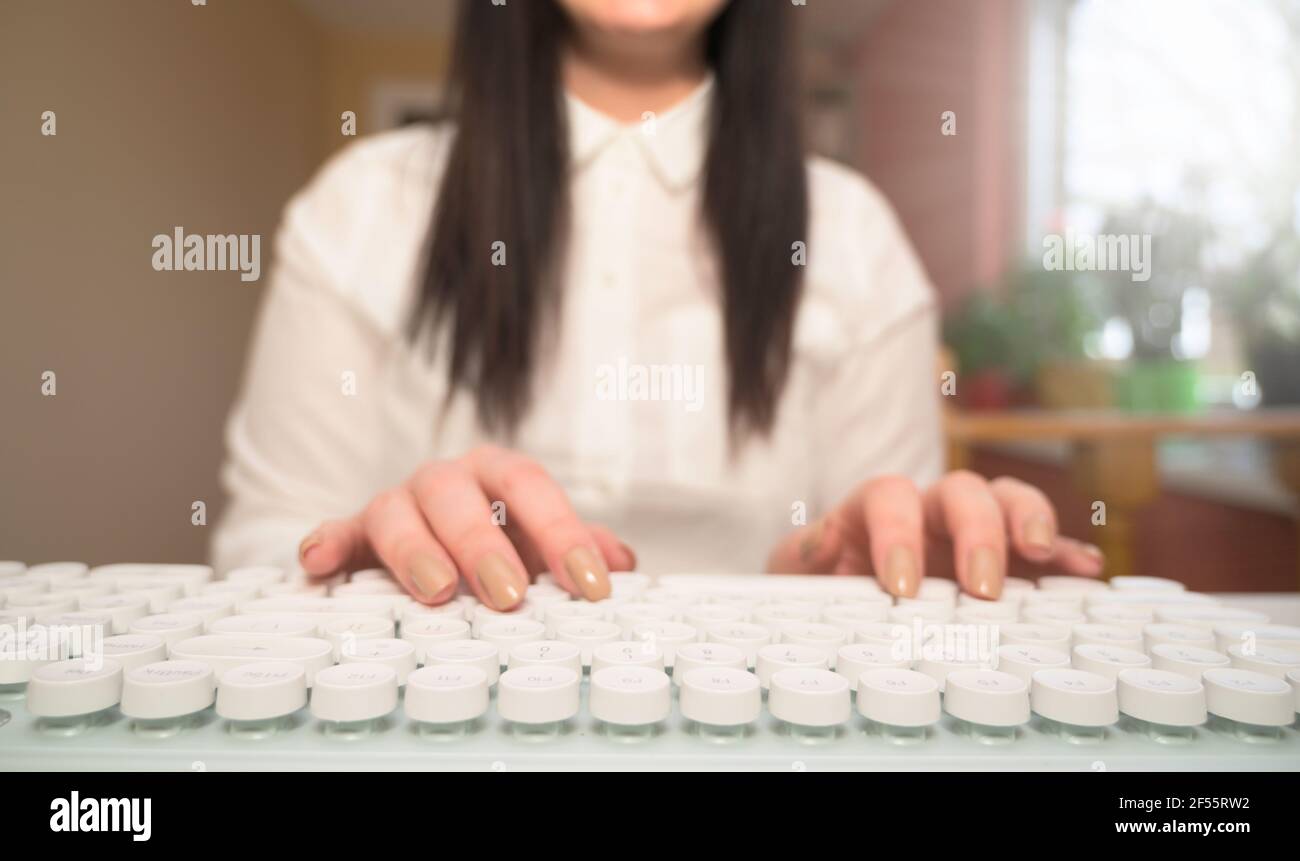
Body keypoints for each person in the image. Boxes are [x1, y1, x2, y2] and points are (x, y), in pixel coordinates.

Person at [212, 0, 1103, 612]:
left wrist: (882, 570)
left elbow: (878, 554)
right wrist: (358, 564)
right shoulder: (357, 207)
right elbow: (263, 553)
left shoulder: (856, 235)